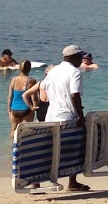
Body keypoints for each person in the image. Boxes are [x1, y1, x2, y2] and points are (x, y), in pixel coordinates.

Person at [38, 45, 91, 191]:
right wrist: (80, 116)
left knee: (49, 149)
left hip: (51, 115)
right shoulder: (74, 72)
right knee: (74, 149)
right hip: (67, 116)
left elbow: (45, 92)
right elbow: (75, 95)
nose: (82, 59)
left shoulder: (52, 71)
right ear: (72, 57)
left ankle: (36, 180)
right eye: (80, 57)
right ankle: (72, 182)